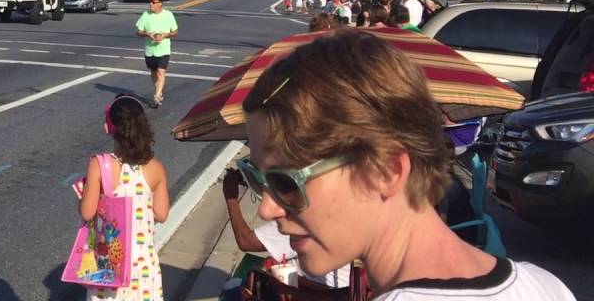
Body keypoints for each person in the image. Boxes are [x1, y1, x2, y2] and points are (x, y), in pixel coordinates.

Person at [241, 31, 575, 300]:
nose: (267, 210)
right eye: (256, 178)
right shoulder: (546, 287)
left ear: (386, 171)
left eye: (286, 182)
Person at [77, 95, 169, 301]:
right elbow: (161, 214)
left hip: (110, 265)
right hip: (144, 266)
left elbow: (87, 212)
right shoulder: (156, 168)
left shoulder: (100, 164)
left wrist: (85, 193)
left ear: (111, 128)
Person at [220, 168, 352, 288]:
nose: (266, 211)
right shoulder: (347, 213)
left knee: (232, 288)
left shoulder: (300, 220)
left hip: (303, 290)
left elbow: (246, 241)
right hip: (343, 291)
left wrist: (231, 198)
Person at [134, 0, 177, 108]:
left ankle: (157, 95)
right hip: (150, 50)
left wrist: (164, 35)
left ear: (160, 4)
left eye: (153, 2)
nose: (151, 4)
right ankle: (159, 89)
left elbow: (175, 32)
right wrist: (148, 34)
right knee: (153, 72)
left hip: (164, 50)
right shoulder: (145, 15)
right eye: (150, 2)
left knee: (161, 71)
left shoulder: (168, 15)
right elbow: (138, 31)